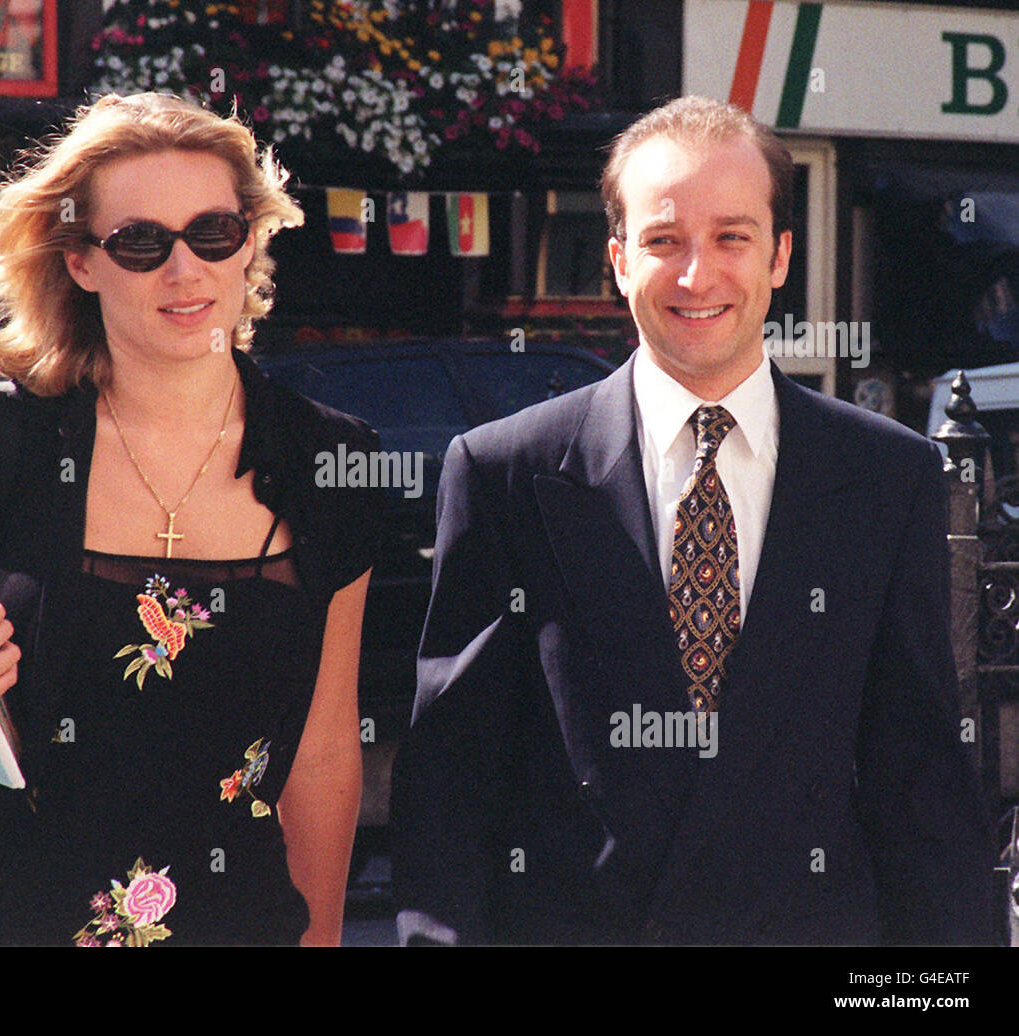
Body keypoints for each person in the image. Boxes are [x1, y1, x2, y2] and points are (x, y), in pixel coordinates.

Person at [390, 95, 994, 945]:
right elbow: (450, 789)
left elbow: (920, 784)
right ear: (617, 260)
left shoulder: (886, 475)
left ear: (781, 255)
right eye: (663, 240)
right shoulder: (506, 474)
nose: (696, 275)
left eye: (731, 238)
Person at [0, 93, 378, 946]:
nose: (185, 271)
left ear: (250, 239)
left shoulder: (331, 463)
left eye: (212, 232)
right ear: (81, 262)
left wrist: (319, 939)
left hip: (227, 921)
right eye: (141, 243)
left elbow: (323, 753)